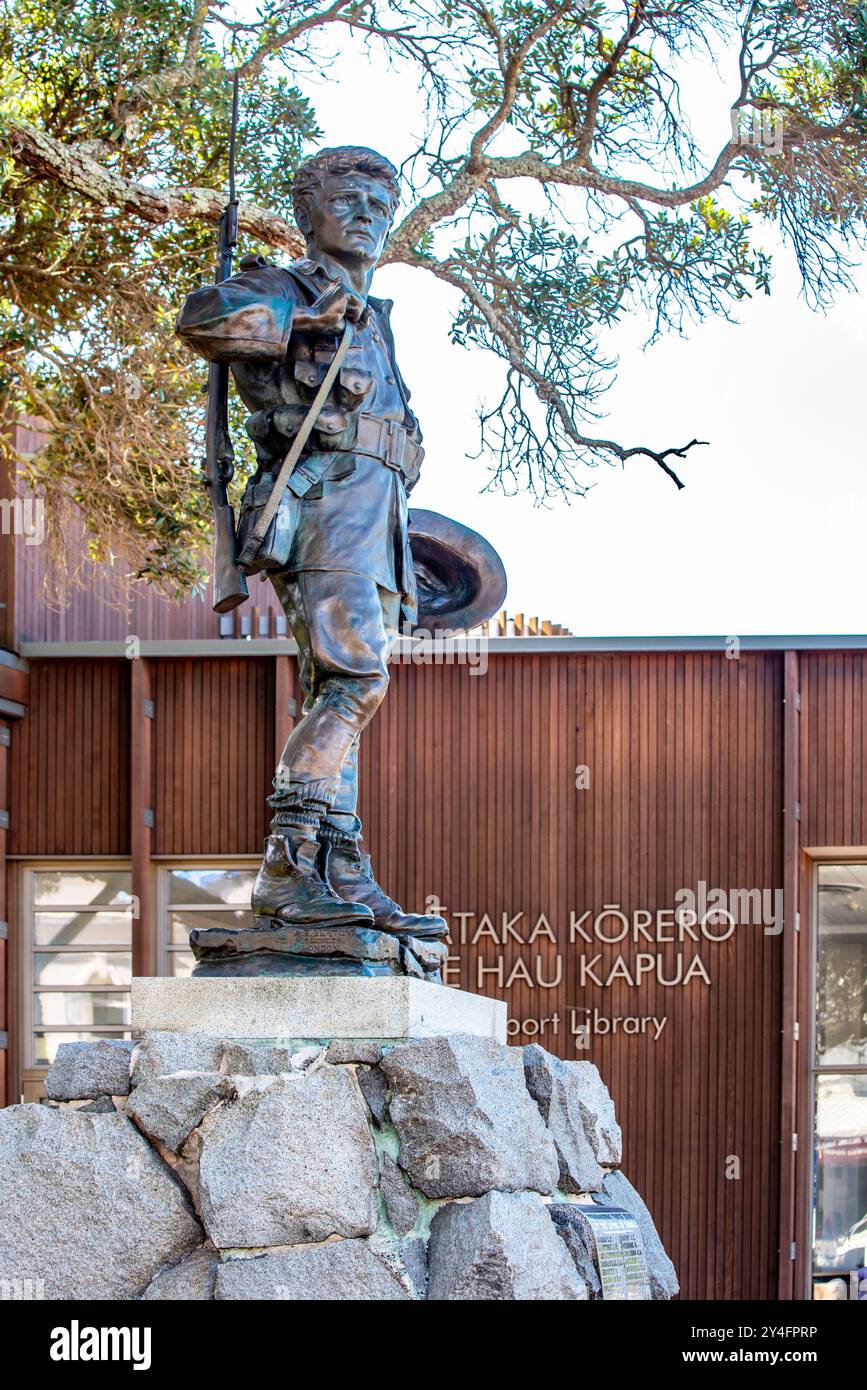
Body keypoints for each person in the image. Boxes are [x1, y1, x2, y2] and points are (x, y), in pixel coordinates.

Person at [176, 146, 445, 940]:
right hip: (323, 509)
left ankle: (341, 868)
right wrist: (304, 318)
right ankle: (288, 868)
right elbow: (202, 320)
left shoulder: (378, 315)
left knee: (345, 691)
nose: (367, 215)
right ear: (310, 212)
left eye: (380, 204)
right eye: (350, 198)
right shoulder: (286, 287)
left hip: (377, 521)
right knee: (353, 680)